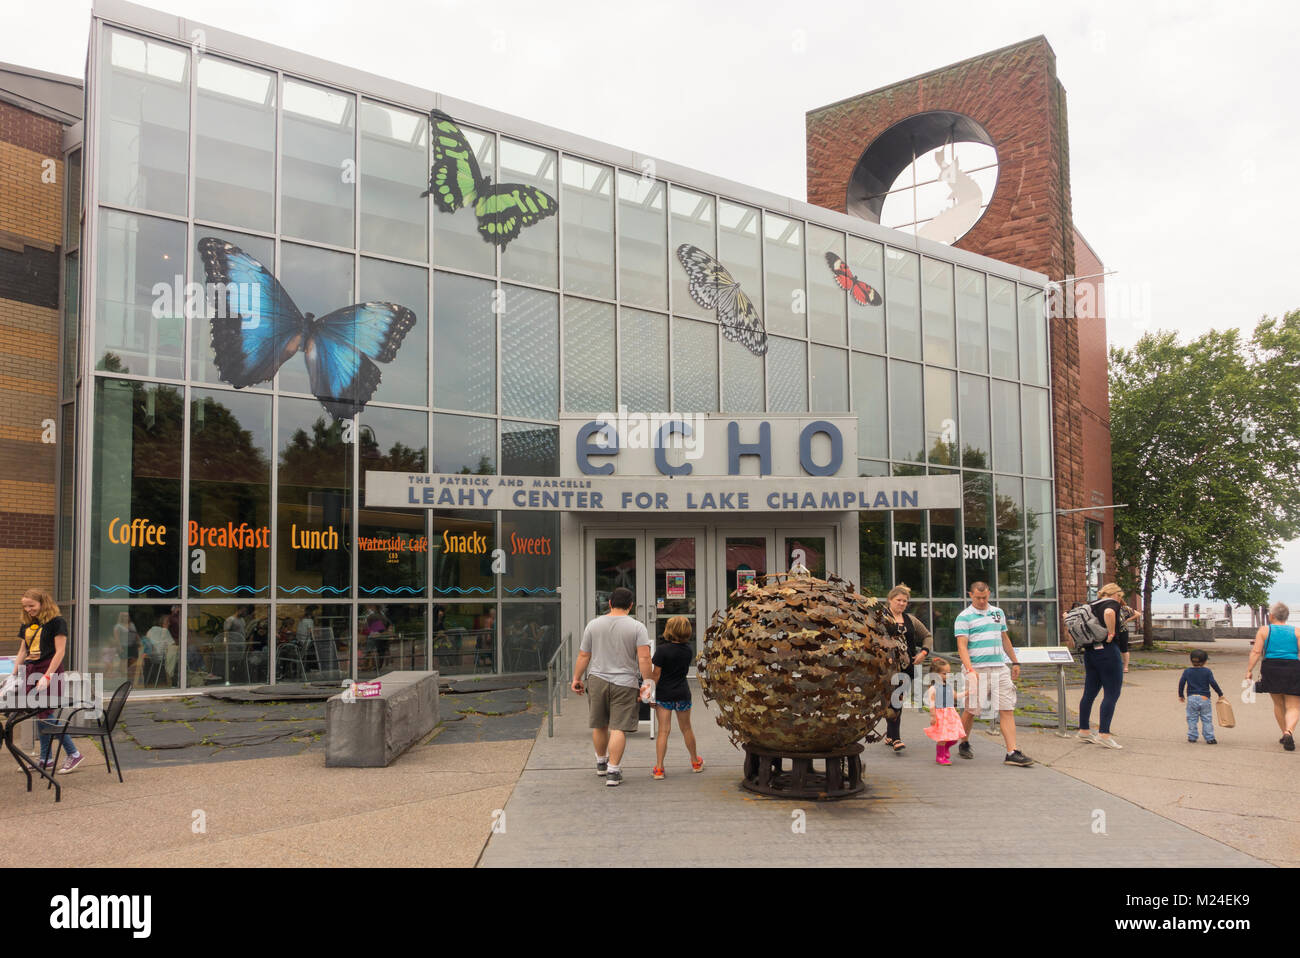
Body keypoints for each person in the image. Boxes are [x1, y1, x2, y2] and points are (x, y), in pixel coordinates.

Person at [571, 587, 652, 787]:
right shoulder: (637, 627)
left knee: (599, 724)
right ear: (631, 605)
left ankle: (601, 763)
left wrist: (576, 678)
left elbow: (584, 655)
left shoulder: (593, 625)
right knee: (618, 727)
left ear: (609, 603)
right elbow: (644, 657)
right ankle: (613, 772)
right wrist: (648, 683)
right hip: (625, 682)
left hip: (597, 679)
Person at [955, 581, 1033, 766]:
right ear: (970, 595)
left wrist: (1014, 661)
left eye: (985, 597)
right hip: (977, 669)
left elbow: (1004, 637)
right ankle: (963, 741)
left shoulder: (998, 613)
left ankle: (1012, 751)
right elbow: (962, 646)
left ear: (989, 594)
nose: (982, 601)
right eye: (978, 598)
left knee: (1007, 708)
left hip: (999, 668)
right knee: (971, 710)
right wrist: (970, 670)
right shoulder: (964, 617)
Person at [13, 589, 85, 773]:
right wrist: (14, 674)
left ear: (43, 603)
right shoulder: (28, 623)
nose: (28, 609)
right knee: (40, 714)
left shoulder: (57, 622)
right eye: (25, 606)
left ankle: (74, 753)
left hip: (49, 670)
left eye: (32, 606)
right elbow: (23, 651)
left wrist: (48, 675)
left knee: (45, 714)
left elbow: (60, 651)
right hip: (31, 670)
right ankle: (46, 760)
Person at [650, 615, 704, 780]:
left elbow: (656, 674)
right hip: (682, 693)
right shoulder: (688, 650)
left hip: (664, 695)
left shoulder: (662, 650)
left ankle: (659, 768)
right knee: (686, 728)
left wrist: (649, 693)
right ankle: (695, 761)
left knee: (663, 731)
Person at [881, 584, 932, 753]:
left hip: (906, 666)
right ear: (890, 600)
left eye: (904, 601)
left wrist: (924, 652)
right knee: (893, 699)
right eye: (898, 600)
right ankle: (895, 738)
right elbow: (872, 638)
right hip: (886, 667)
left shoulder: (910, 619)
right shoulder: (881, 617)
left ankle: (891, 735)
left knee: (897, 699)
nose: (901, 603)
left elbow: (927, 636)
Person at [1075, 583, 1126, 748]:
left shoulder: (1090, 605)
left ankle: (1084, 730)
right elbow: (1109, 613)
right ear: (1116, 594)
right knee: (1112, 693)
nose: (1121, 599)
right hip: (1108, 652)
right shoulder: (1112, 604)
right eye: (1121, 596)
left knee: (1089, 693)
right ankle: (1104, 733)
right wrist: (1111, 632)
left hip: (1090, 652)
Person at [1245, 602, 1300, 751]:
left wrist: (1249, 670)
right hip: (1293, 667)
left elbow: (1256, 652)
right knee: (1293, 705)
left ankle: (1284, 733)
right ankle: (1289, 731)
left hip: (1271, 667)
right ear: (1287, 616)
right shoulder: (1297, 631)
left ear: (1271, 616)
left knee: (1278, 704)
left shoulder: (1264, 630)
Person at [923, 656, 965, 765]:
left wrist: (966, 693)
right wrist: (933, 716)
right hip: (940, 715)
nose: (947, 676)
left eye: (949, 673)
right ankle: (940, 756)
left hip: (951, 714)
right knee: (942, 738)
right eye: (944, 673)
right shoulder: (933, 688)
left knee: (954, 737)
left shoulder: (949, 686)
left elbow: (956, 696)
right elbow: (932, 703)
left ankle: (946, 748)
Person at [1178, 650, 1223, 744]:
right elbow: (1213, 683)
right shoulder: (1207, 671)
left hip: (1191, 698)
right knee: (1206, 718)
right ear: (1205, 661)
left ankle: (1192, 736)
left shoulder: (1187, 671)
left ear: (1191, 661)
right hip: (1204, 698)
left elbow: (1182, 683)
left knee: (1191, 718)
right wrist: (1220, 693)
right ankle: (1210, 737)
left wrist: (1181, 695)